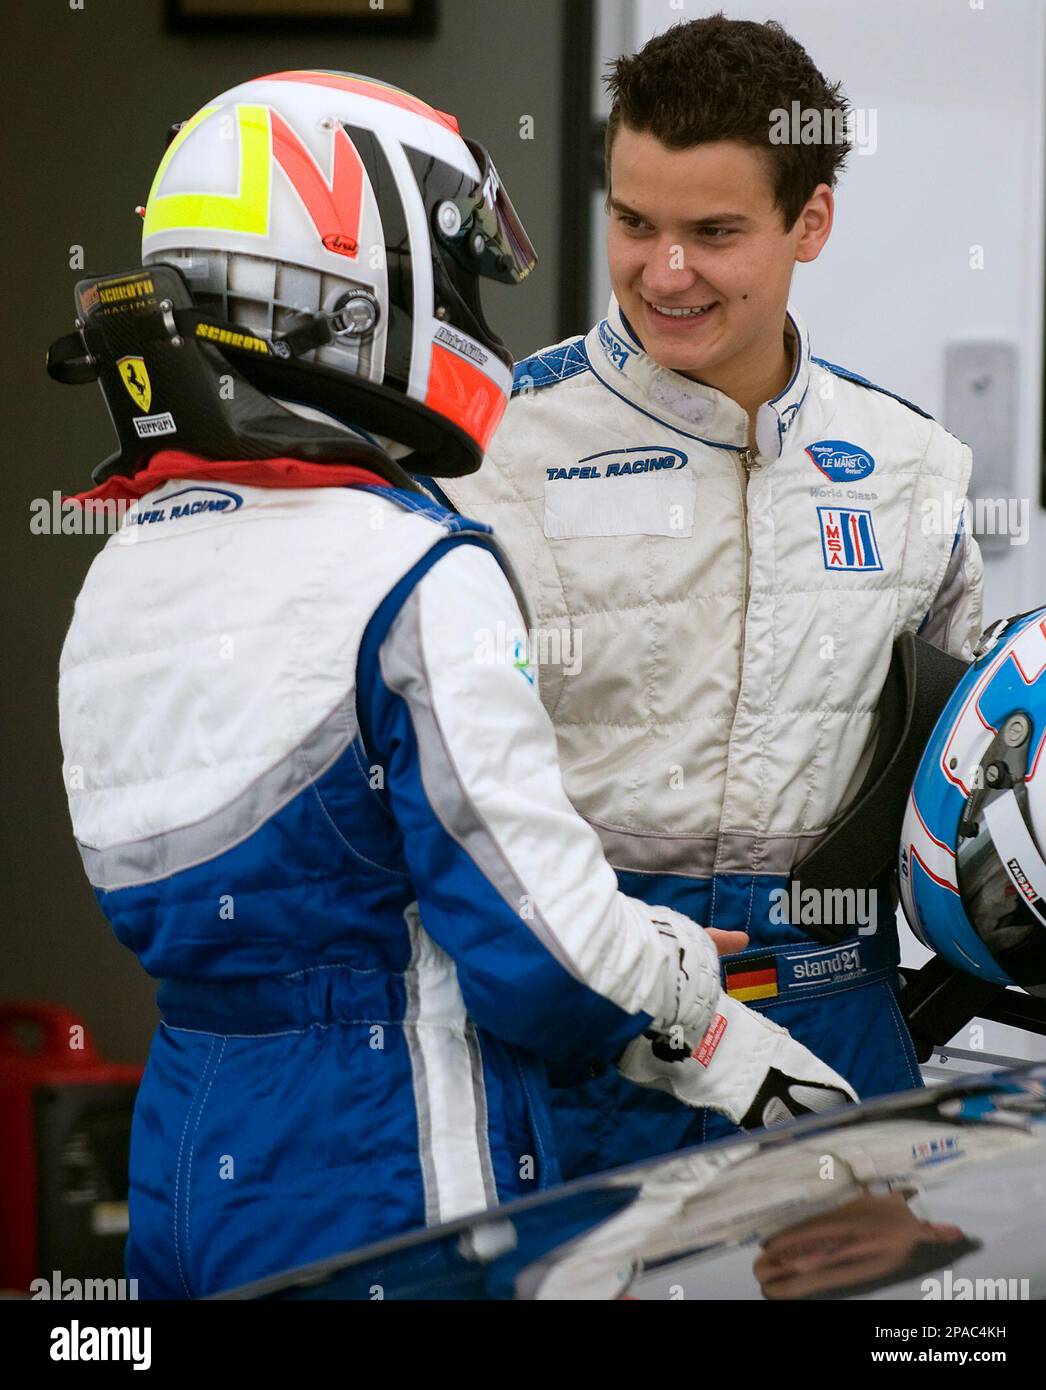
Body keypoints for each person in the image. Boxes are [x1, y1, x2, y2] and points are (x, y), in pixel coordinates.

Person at [51, 70, 854, 1299]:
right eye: (458, 269)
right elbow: (543, 960)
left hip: (186, 1156)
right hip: (385, 1171)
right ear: (344, 292)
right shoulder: (411, 568)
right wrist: (710, 1015)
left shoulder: (124, 564)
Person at [431, 14, 985, 1178]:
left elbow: (976, 777)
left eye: (715, 232)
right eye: (635, 223)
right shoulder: (492, 453)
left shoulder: (912, 466)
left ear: (811, 220)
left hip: (837, 1051)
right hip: (576, 1051)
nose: (664, 271)